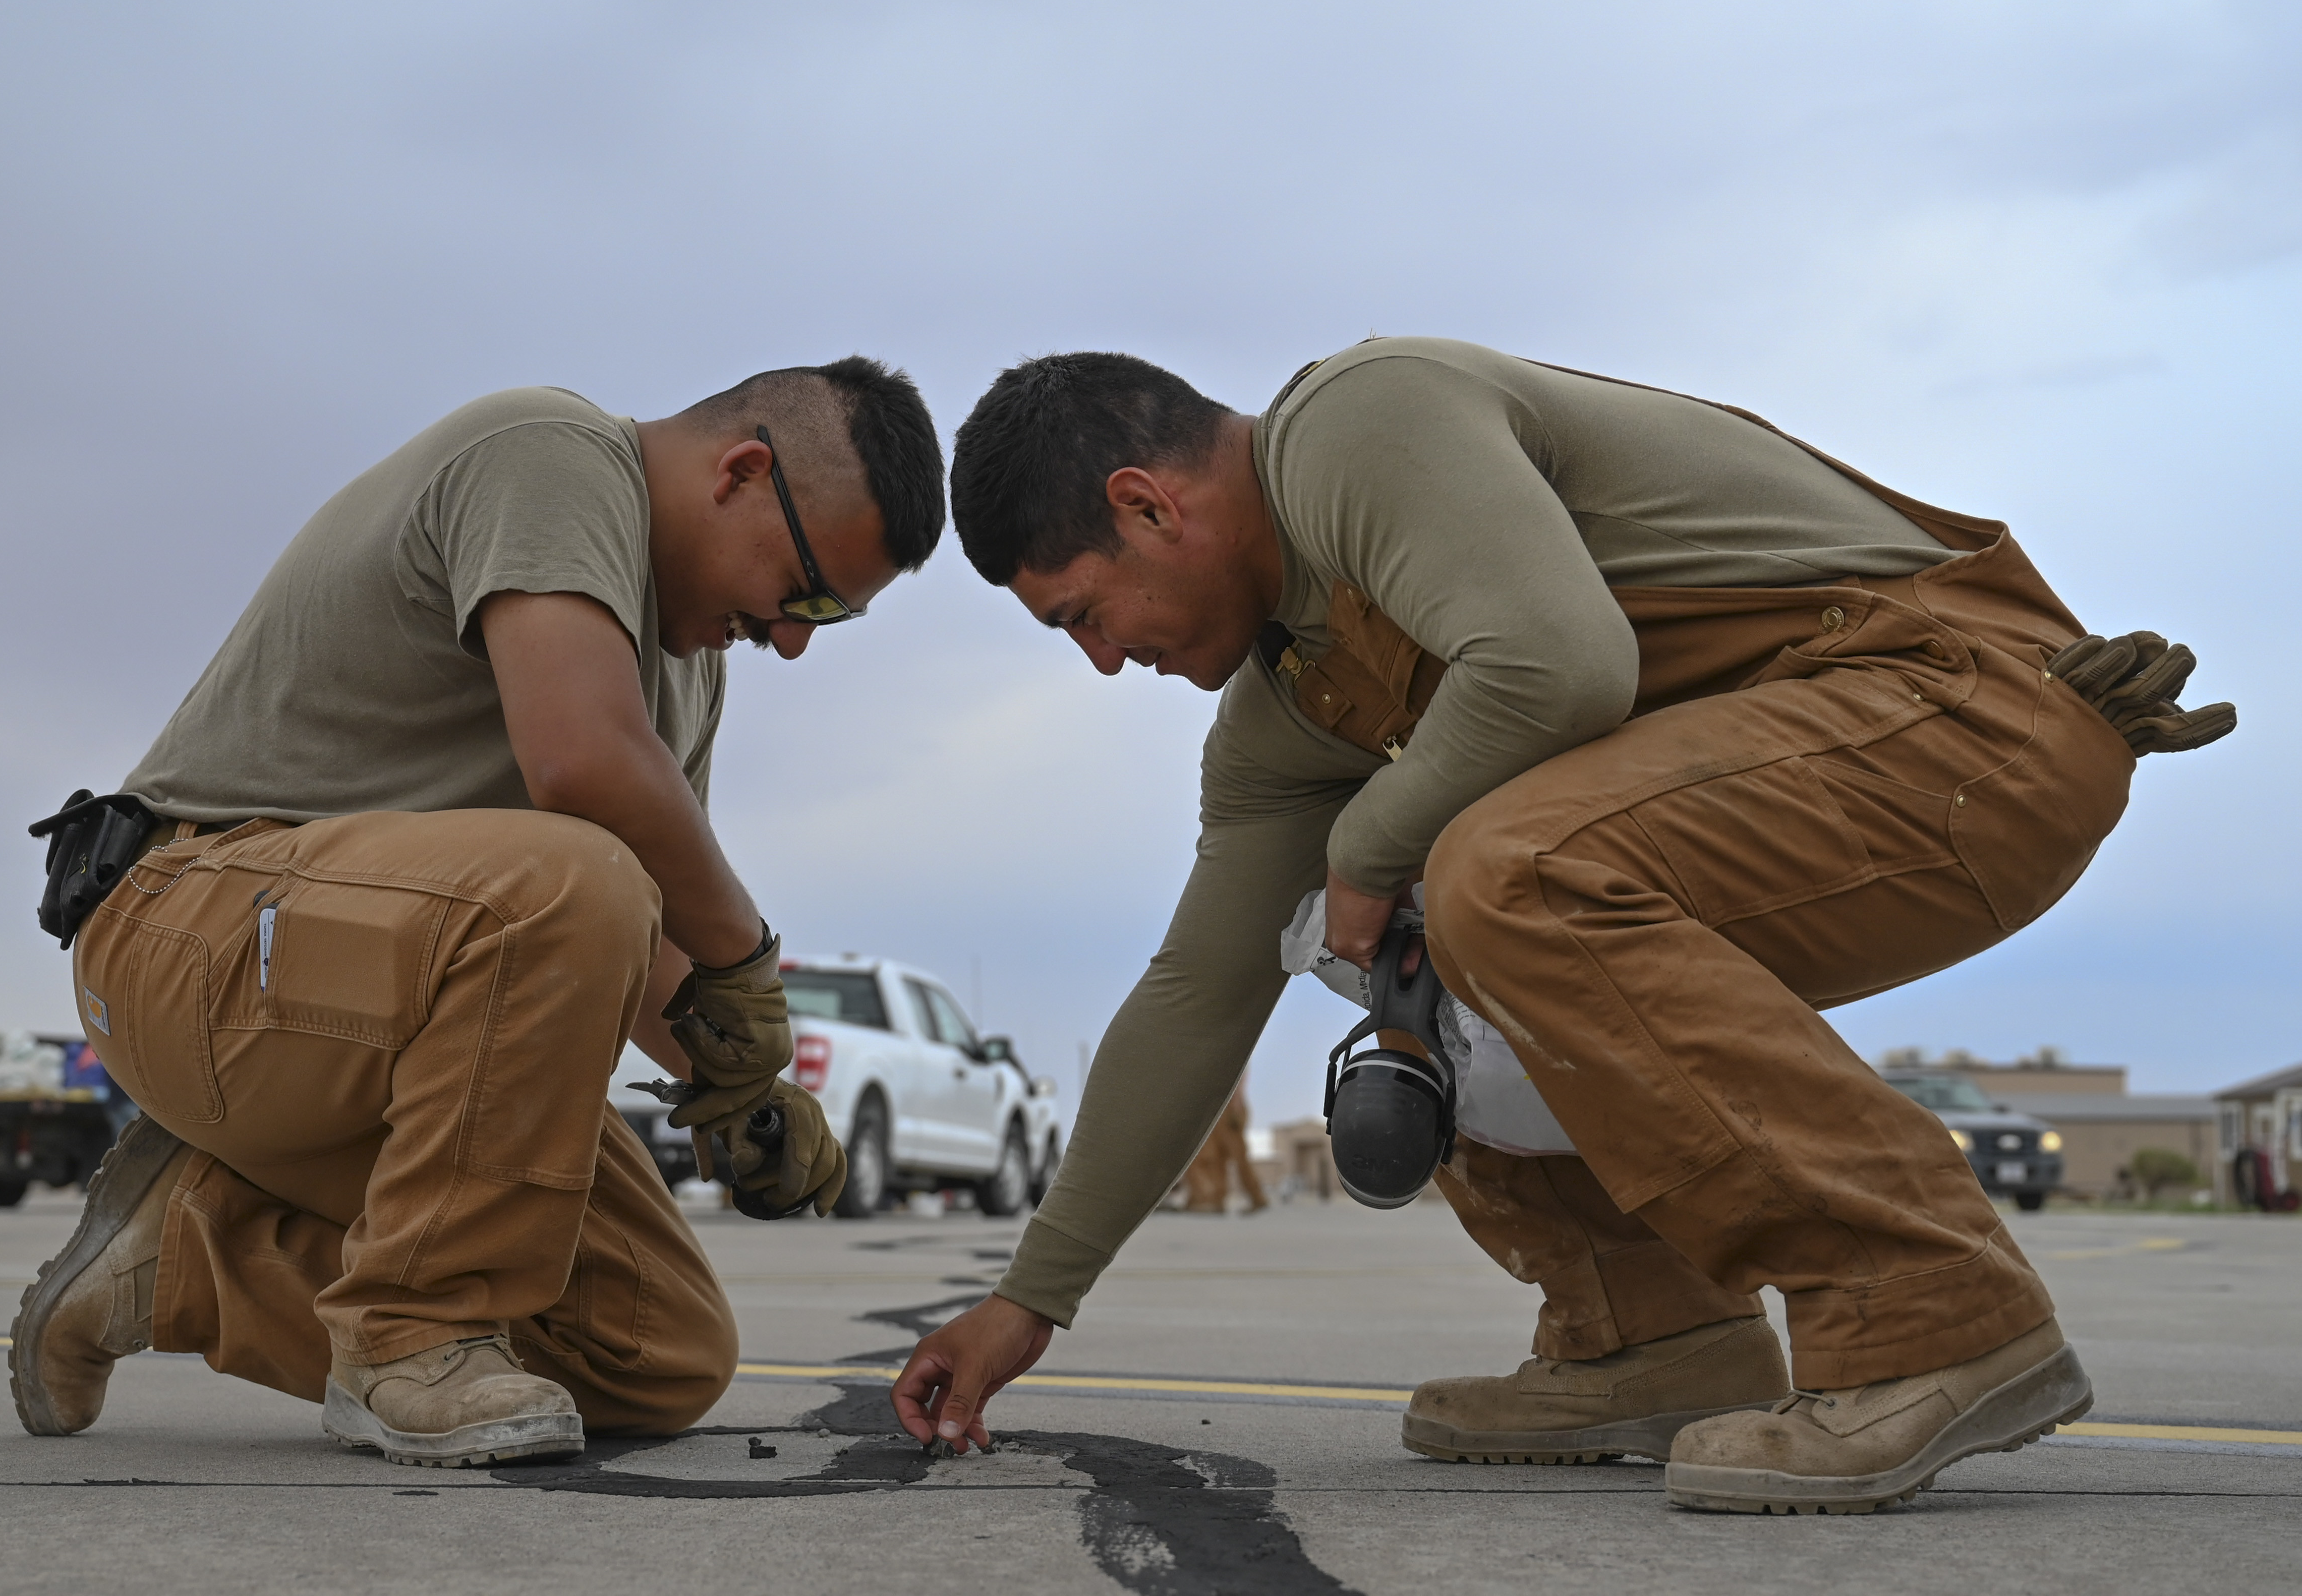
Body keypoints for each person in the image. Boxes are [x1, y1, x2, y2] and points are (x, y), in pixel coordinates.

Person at [892, 338, 2232, 1514]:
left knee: (1492, 865)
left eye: (1082, 612)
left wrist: (1366, 843)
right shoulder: (1283, 709)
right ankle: (1645, 1332)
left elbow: (1555, 660)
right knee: (1371, 921)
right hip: (1833, 770)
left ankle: (1927, 1310)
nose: (1100, 658)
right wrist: (1031, 1295)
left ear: (1145, 504)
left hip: (1954, 716)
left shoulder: (1352, 423)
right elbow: (1195, 989)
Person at [12, 357, 945, 1468]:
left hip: (368, 1018)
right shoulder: (552, 456)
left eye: (830, 619)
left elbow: (640, 935)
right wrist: (746, 958)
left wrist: (736, 1083)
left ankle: (181, 1255)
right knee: (579, 873)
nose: (794, 636)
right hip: (188, 936)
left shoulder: (689, 668)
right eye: (807, 589)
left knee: (663, 1348)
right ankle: (411, 1338)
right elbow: (582, 767)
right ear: (742, 473)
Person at [1179, 1082, 1267, 1215]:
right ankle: (1216, 1201)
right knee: (1216, 1158)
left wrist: (1236, 1100)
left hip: (1229, 1105)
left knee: (1238, 1156)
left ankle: (1257, 1197)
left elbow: (1239, 1074)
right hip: (1219, 1104)